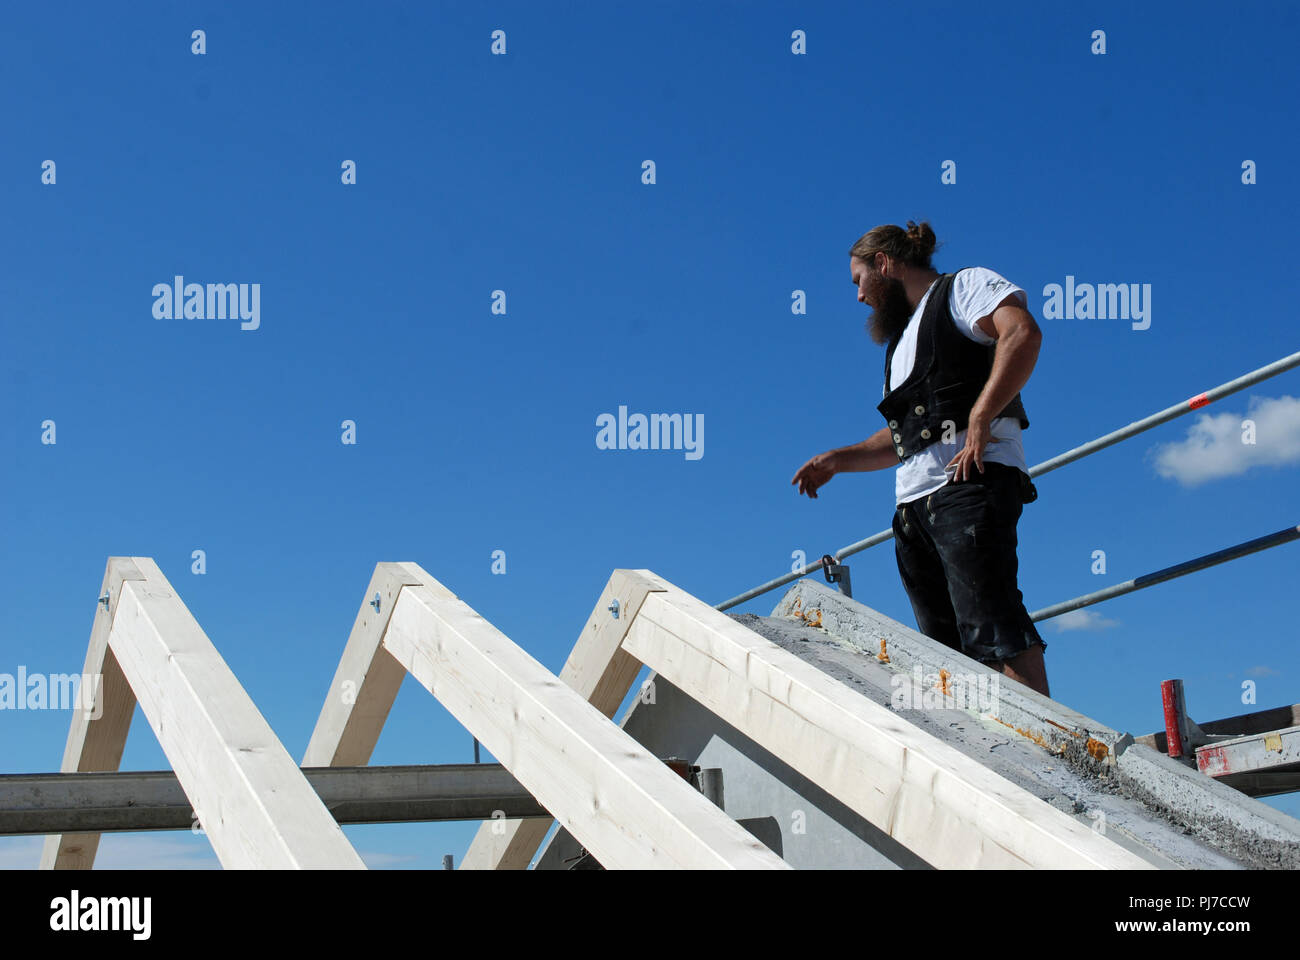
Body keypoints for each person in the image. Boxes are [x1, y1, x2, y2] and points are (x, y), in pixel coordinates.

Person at [791, 221, 1050, 696]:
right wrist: (838, 459)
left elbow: (1022, 334)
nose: (859, 297)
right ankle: (987, 764)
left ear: (885, 265)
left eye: (859, 280)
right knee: (947, 654)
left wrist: (982, 414)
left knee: (997, 628)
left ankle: (1054, 760)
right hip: (914, 510)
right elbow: (907, 437)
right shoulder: (899, 344)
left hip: (969, 485)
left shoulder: (962, 287)